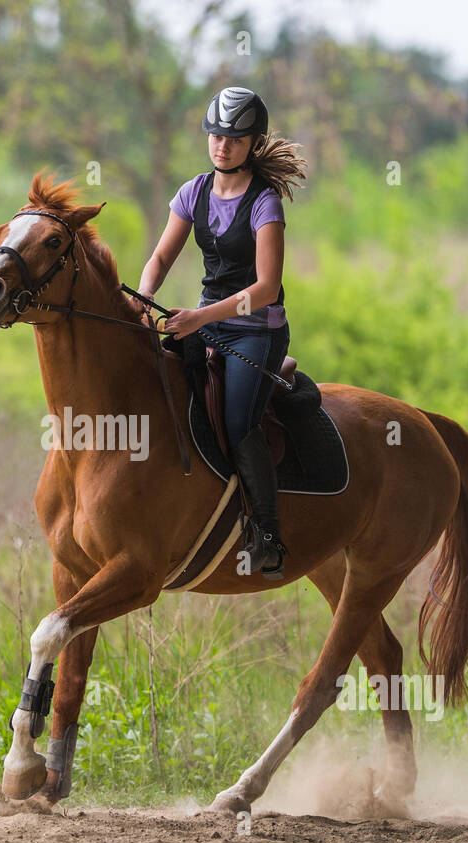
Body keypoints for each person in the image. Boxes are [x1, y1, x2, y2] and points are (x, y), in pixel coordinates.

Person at [137, 86, 308, 580]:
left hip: (256, 330)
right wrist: (144, 297)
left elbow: (267, 287)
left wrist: (198, 318)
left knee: (237, 424)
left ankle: (269, 537)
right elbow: (161, 258)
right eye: (215, 135)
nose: (221, 146)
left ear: (253, 143)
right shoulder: (192, 191)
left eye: (234, 138)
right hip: (205, 321)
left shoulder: (265, 202)